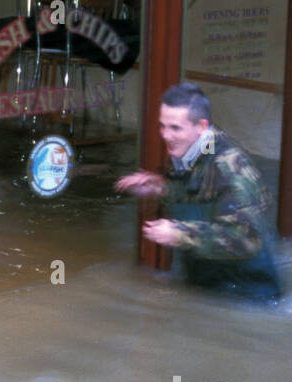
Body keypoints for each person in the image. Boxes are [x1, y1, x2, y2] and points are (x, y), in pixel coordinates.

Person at [115, 83, 283, 300]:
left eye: (175, 128)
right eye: (162, 126)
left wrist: (180, 234)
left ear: (201, 126)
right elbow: (198, 190)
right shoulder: (191, 148)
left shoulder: (229, 167)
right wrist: (161, 188)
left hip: (246, 295)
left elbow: (244, 239)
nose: (166, 135)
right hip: (206, 288)